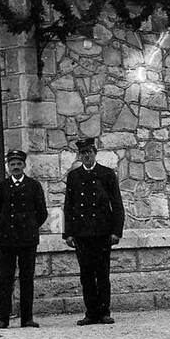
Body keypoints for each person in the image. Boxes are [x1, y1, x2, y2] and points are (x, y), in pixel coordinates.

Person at [62, 136, 125, 325]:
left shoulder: (106, 174)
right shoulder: (74, 176)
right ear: (79, 156)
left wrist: (116, 231)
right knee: (86, 275)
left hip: (102, 233)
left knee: (103, 273)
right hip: (82, 234)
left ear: (95, 153)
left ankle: (104, 312)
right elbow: (69, 206)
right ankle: (90, 313)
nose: (86, 156)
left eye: (89, 152)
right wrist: (69, 233)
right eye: (83, 153)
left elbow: (117, 204)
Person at [0, 149, 48, 329]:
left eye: (18, 164)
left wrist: (29, 228)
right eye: (12, 164)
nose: (16, 167)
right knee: (5, 279)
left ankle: (27, 318)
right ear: (8, 167)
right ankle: (2, 319)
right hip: (7, 241)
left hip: (27, 241)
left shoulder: (34, 186)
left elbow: (42, 213)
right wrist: (5, 229)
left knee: (27, 278)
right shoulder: (1, 187)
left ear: (24, 165)